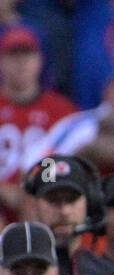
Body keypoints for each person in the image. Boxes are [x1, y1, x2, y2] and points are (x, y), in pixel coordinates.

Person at [0, 26, 74, 216]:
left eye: (27, 54)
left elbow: (71, 165)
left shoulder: (62, 110)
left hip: (47, 208)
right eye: (13, 55)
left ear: (40, 60)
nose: (21, 62)